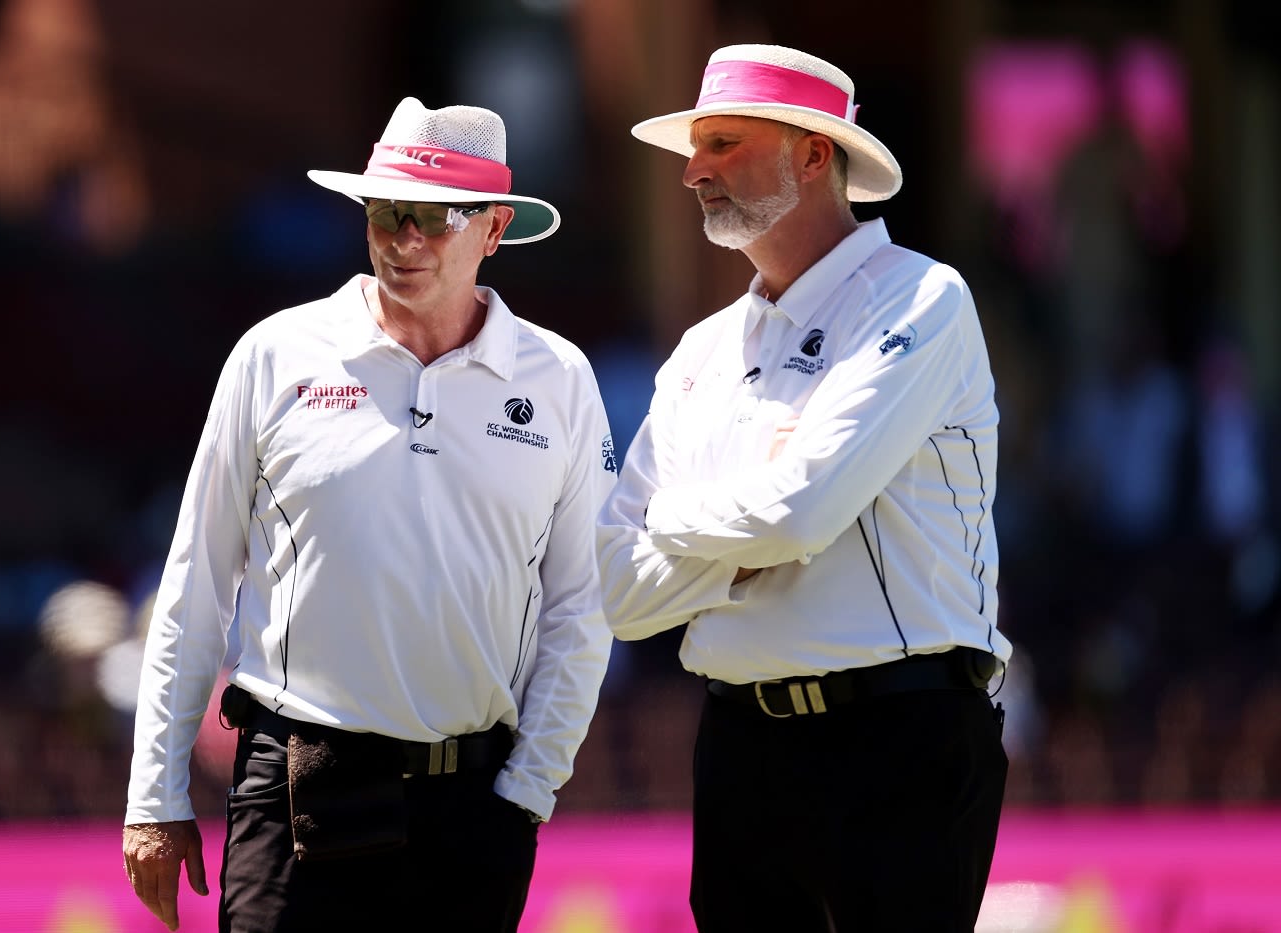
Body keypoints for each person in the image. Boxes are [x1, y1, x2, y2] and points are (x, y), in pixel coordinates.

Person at [123, 96, 616, 933]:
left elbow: (584, 602)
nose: (403, 238)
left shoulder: (560, 379)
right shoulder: (275, 353)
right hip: (291, 785)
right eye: (386, 213)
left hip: (473, 803)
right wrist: (154, 795)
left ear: (494, 230)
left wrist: (529, 790)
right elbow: (195, 580)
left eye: (431, 217)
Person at [597, 44, 1013, 932]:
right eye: (696, 148)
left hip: (904, 735)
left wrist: (677, 522)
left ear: (815, 154)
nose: (693, 172)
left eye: (724, 143)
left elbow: (798, 512)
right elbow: (617, 591)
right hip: (741, 747)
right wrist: (738, 556)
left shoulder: (924, 299)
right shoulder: (703, 348)